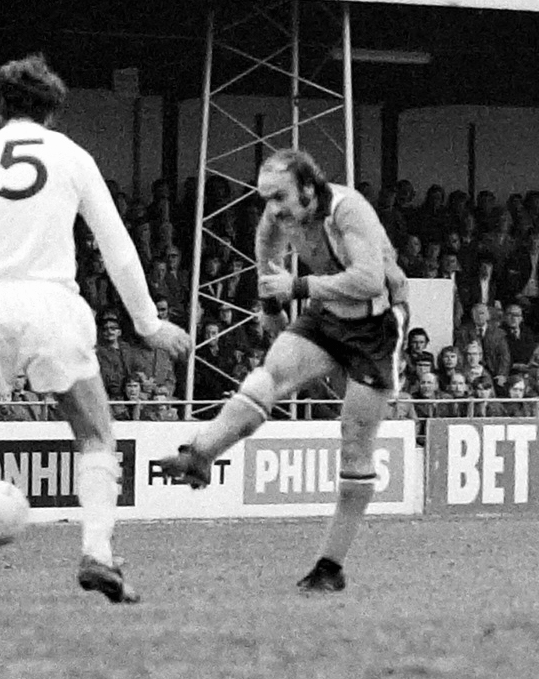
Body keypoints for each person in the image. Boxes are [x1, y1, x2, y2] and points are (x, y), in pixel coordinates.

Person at [0, 54, 190, 605]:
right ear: (53, 109)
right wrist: (147, 321)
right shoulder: (72, 156)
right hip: (52, 306)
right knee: (96, 436)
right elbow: (115, 244)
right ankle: (97, 553)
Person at [155, 146, 407, 593]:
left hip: (376, 328)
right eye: (265, 197)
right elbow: (267, 247)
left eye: (279, 196)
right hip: (327, 314)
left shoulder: (349, 211)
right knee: (269, 374)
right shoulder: (280, 215)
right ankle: (202, 453)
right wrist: (271, 304)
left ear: (308, 188)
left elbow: (369, 280)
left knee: (354, 443)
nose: (271, 208)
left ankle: (330, 566)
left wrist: (297, 287)